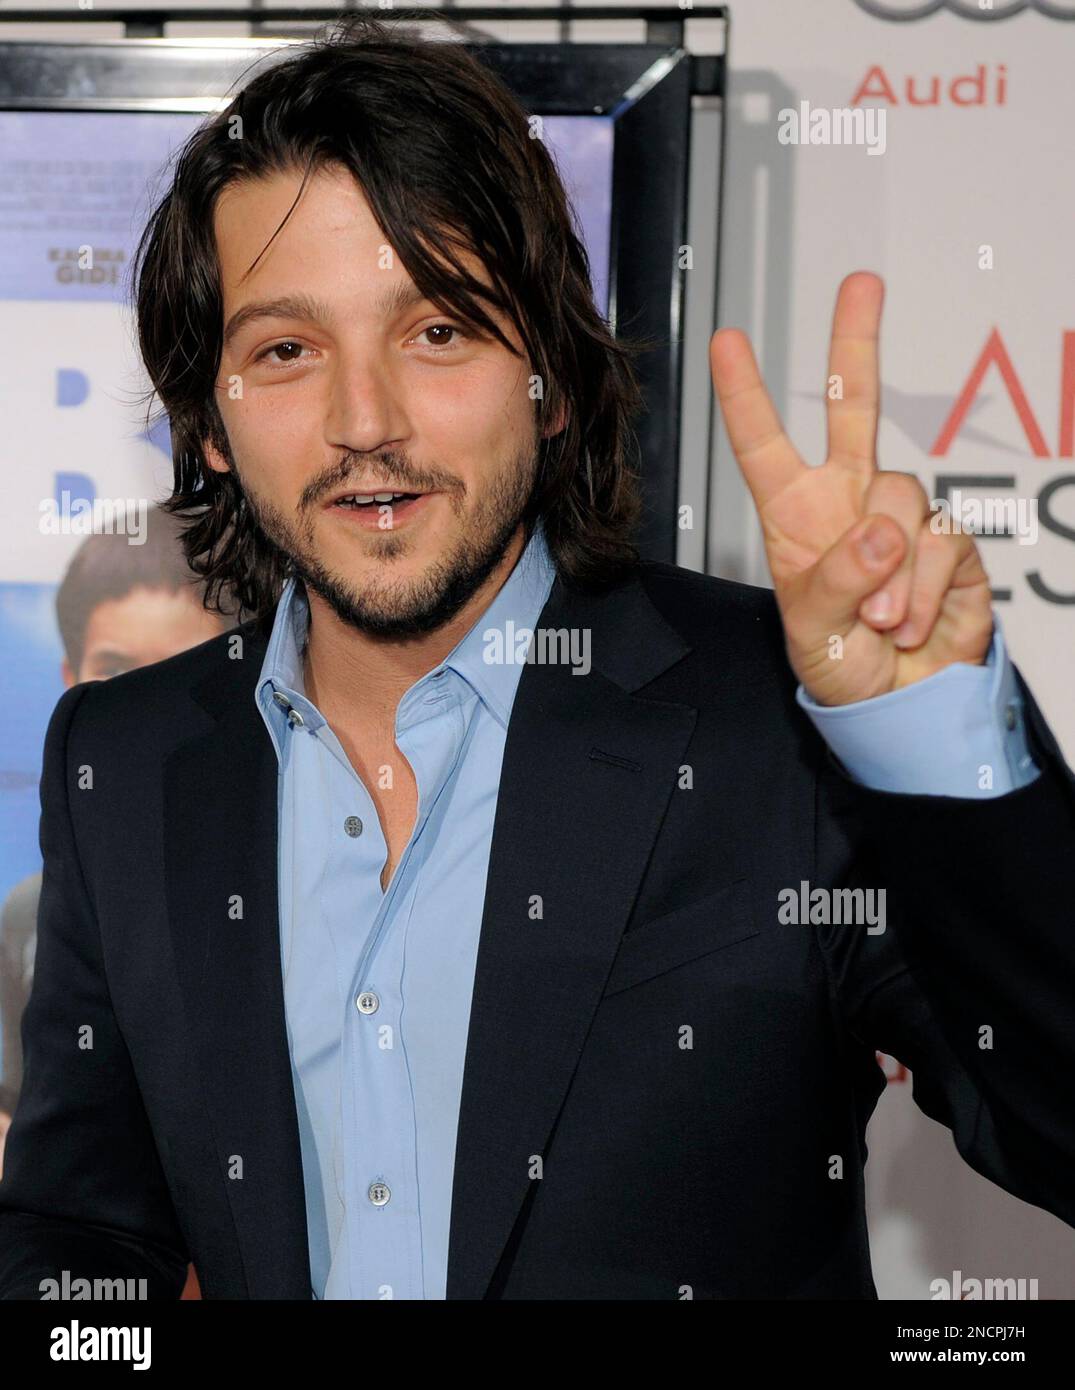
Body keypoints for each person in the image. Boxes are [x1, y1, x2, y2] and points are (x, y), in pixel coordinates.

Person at [0, 14, 1072, 1300]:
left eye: (439, 330)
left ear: (548, 377)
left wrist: (928, 734)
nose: (364, 423)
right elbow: (84, 1247)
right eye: (285, 351)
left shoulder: (781, 721)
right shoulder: (123, 757)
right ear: (208, 425)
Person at [0, 508, 232, 1179]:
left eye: (180, 672)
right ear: (70, 682)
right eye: (117, 674)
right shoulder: (30, 913)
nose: (144, 714)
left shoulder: (315, 880)